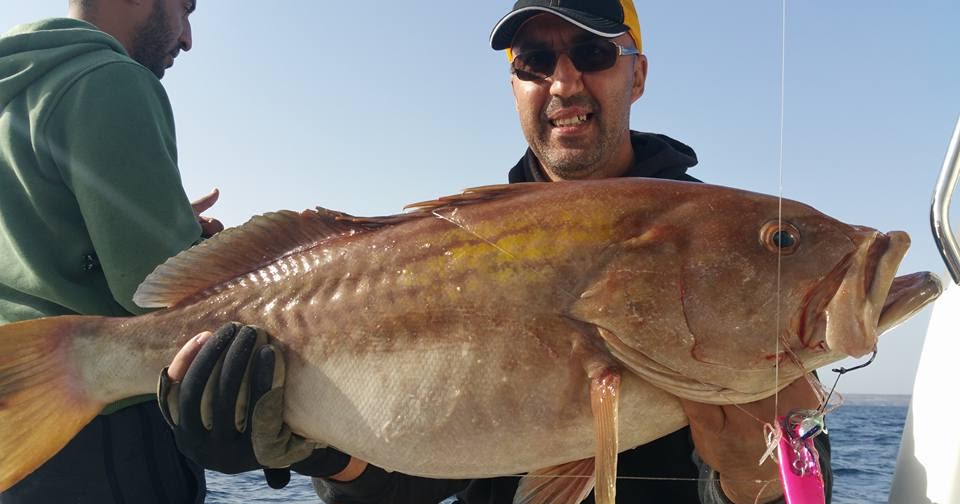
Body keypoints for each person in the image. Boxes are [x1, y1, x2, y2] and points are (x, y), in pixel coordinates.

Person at [161, 1, 833, 503]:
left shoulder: (729, 252)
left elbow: (810, 481)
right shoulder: (455, 243)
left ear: (639, 73)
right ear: (515, 85)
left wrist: (754, 476)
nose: (565, 82)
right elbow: (416, 474)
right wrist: (307, 449)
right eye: (535, 62)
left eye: (593, 52)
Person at [0, 0, 223, 502]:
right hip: (107, 436)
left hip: (18, 424)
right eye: (185, 9)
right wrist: (201, 249)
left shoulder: (14, 85)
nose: (187, 38)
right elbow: (161, 291)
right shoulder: (110, 80)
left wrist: (161, 219)